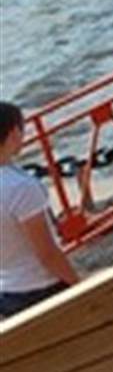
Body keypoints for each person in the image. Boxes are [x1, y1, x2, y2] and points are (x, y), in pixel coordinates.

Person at [0, 101, 78, 317]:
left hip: (7, 290)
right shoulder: (20, 187)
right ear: (14, 131)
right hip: (40, 287)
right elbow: (47, 253)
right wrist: (77, 284)